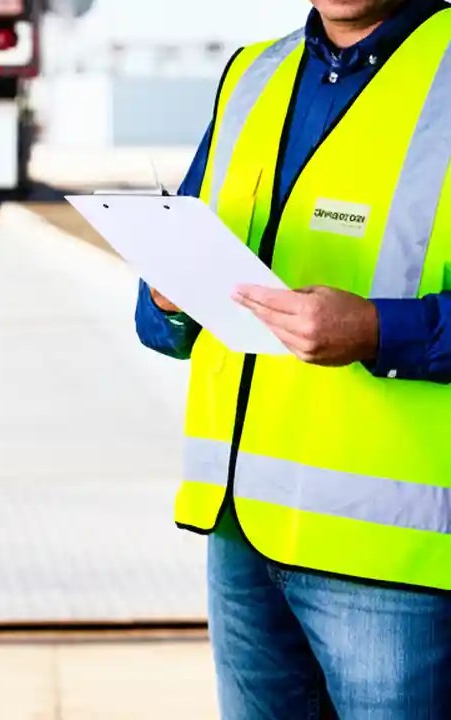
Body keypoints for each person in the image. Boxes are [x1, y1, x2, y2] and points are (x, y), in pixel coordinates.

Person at [135, 0, 451, 716]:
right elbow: (163, 321)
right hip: (242, 534)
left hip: (396, 557)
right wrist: (167, 299)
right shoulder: (252, 75)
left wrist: (377, 330)